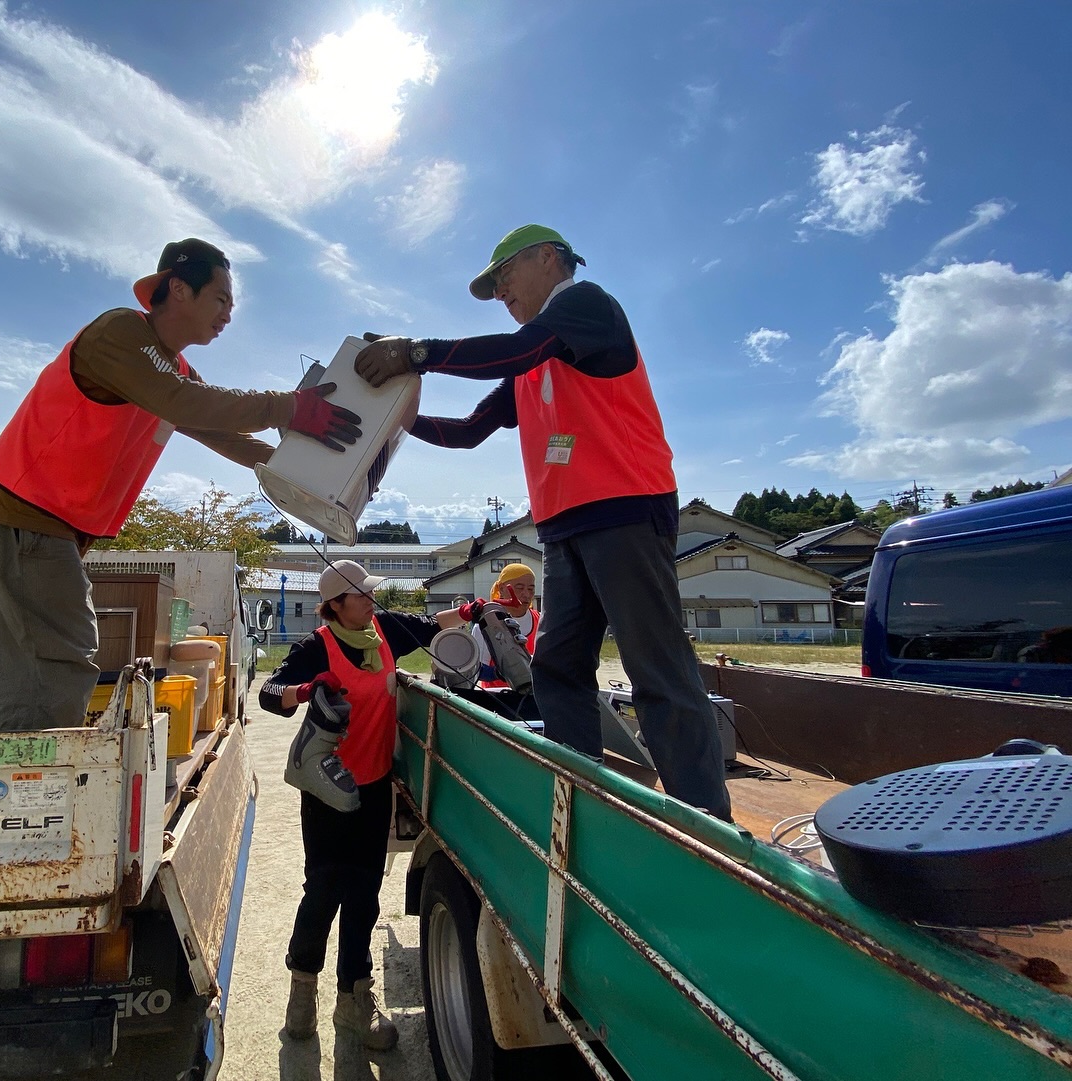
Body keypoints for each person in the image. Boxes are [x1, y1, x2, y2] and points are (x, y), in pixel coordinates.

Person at [354, 224, 732, 821]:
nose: (502, 292)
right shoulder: (532, 358)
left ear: (549, 259)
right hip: (565, 526)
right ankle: (579, 800)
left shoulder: (584, 306)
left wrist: (416, 351)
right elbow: (468, 431)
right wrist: (392, 419)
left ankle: (704, 821)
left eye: (506, 277)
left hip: (625, 507)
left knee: (654, 664)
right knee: (558, 668)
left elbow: (518, 348)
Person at [0, 238, 362, 731]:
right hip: (24, 512)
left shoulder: (171, 368)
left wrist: (300, 475)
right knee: (59, 654)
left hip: (31, 518)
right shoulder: (120, 335)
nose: (228, 316)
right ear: (178, 288)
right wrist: (289, 407)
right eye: (220, 300)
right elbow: (187, 403)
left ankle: (3, 770)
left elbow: (213, 427)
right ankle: (40, 781)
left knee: (25, 659)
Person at [260, 560, 473, 1048]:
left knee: (364, 898)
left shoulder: (383, 632)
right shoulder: (317, 646)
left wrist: (474, 610)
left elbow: (433, 625)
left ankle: (354, 1003)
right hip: (328, 789)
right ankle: (302, 991)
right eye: (361, 594)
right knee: (322, 893)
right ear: (336, 604)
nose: (371, 600)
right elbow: (270, 693)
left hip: (375, 787)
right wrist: (304, 689)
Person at [471, 562, 539, 688]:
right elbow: (475, 669)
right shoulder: (487, 623)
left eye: (531, 589)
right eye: (519, 588)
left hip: (536, 699)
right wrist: (501, 673)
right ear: (502, 589)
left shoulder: (541, 621)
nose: (526, 594)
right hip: (498, 700)